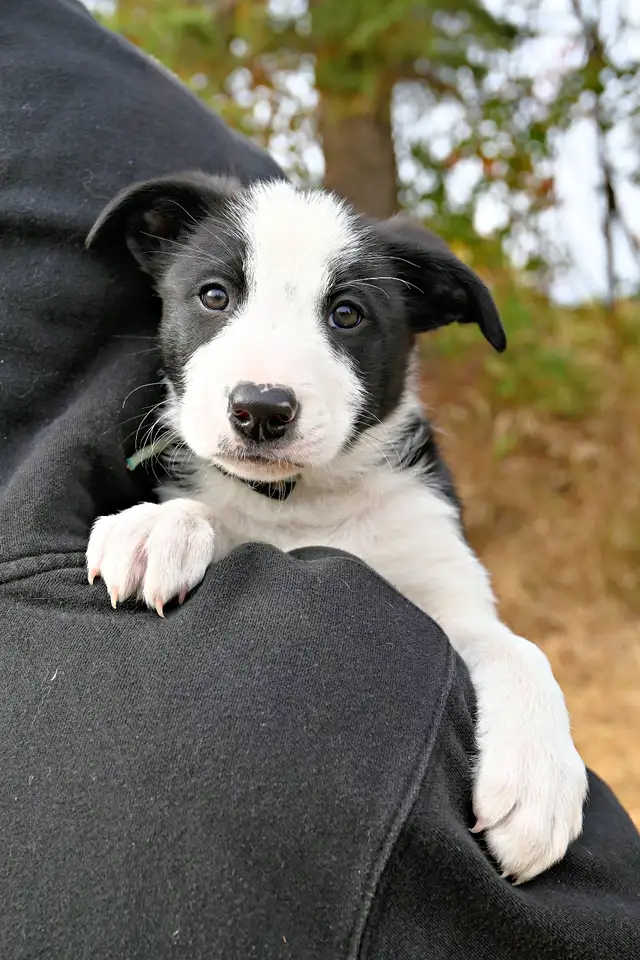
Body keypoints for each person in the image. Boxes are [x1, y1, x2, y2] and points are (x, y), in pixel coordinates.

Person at [1, 2, 638, 957]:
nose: (266, 388)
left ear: (420, 320)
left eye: (346, 315)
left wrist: (523, 681)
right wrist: (187, 522)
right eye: (216, 296)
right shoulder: (180, 497)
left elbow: (472, 634)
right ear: (161, 266)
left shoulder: (408, 506)